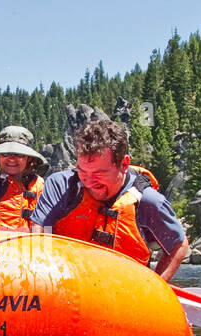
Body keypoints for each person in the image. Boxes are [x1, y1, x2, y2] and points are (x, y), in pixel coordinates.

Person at [30, 118, 189, 281]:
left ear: (124, 164)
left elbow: (178, 245)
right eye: (82, 171)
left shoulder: (148, 201)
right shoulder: (60, 186)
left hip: (123, 292)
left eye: (99, 174)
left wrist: (157, 286)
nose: (89, 182)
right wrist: (42, 268)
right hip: (68, 285)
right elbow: (41, 228)